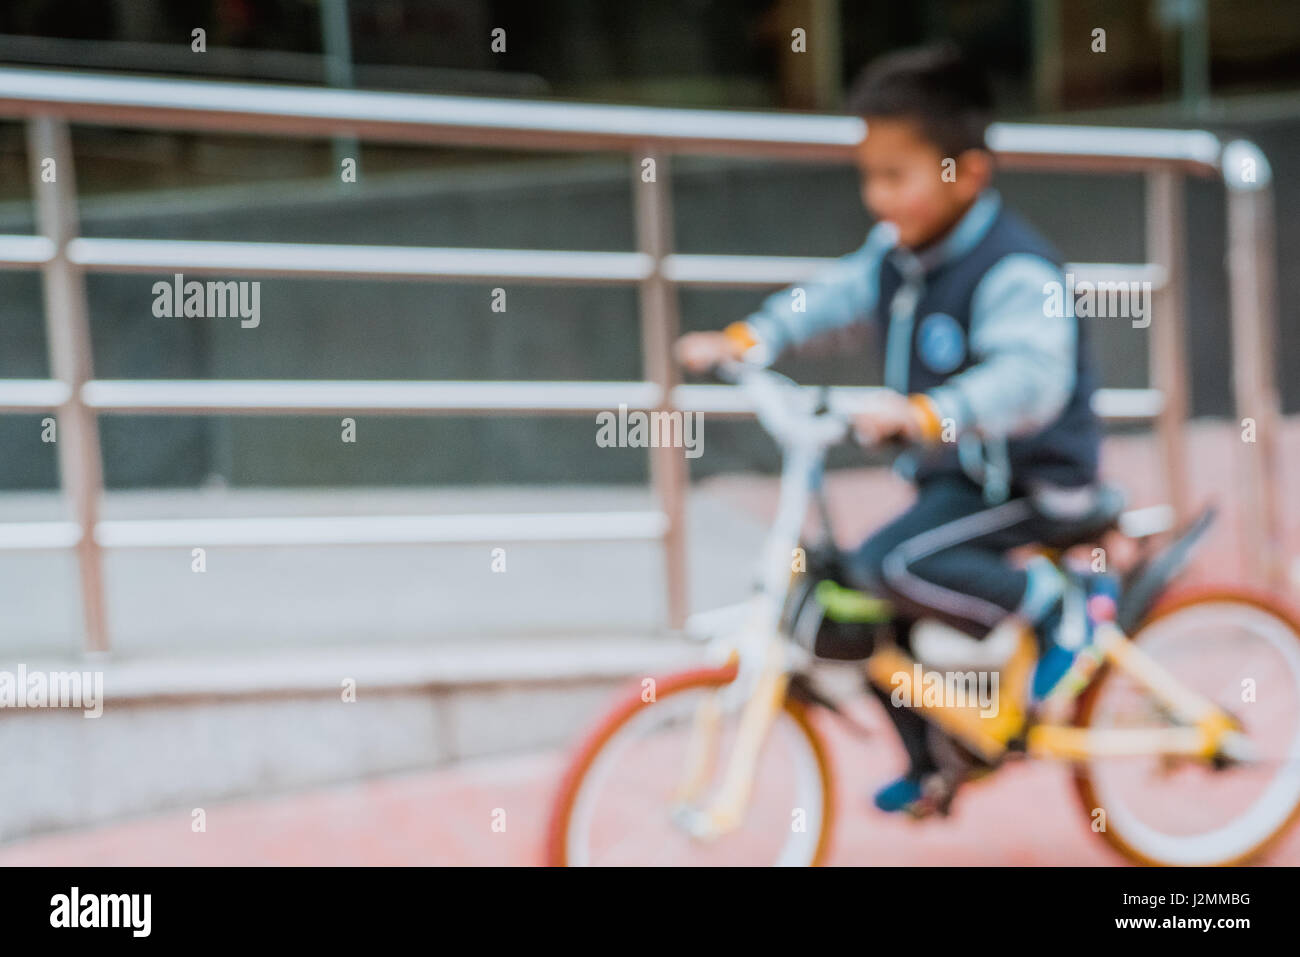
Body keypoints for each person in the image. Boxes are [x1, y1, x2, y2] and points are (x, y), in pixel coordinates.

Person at [675, 44, 1112, 815]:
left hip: (1036, 481)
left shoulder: (1013, 271)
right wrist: (755, 337)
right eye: (868, 175)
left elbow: (1033, 381)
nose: (877, 198)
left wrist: (929, 413)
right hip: (963, 479)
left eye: (895, 176)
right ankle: (935, 755)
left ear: (966, 173)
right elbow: (836, 294)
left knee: (893, 561)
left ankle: (1057, 604)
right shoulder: (898, 252)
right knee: (853, 594)